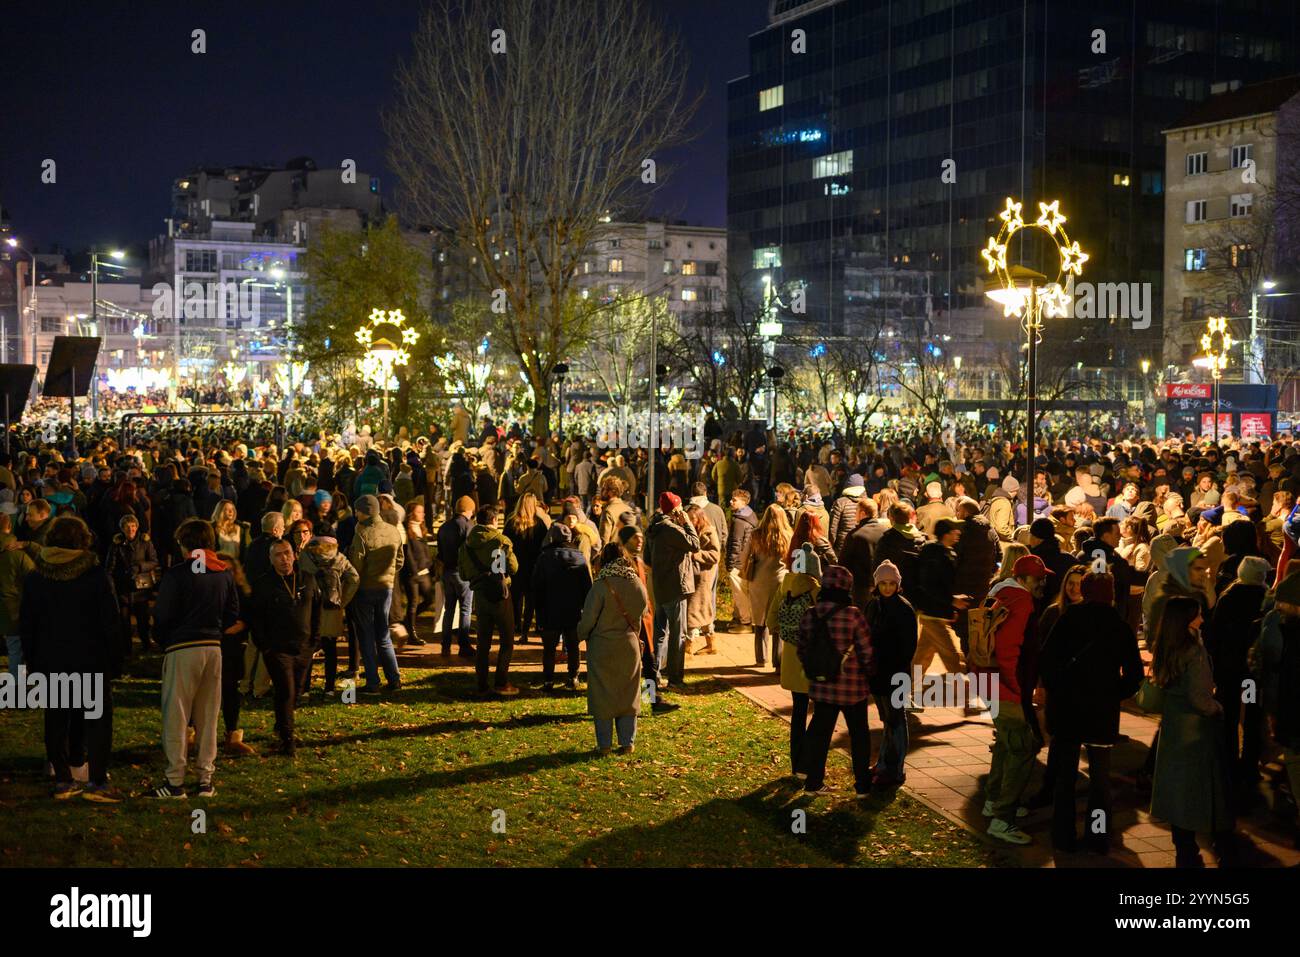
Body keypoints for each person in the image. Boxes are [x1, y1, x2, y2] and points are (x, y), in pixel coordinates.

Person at [1038, 571, 1143, 853]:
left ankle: (1063, 836)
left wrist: (1058, 690)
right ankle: (1097, 838)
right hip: (1100, 712)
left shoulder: (1068, 619)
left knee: (1065, 778)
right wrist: (1113, 693)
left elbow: (1047, 661)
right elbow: (1134, 675)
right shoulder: (1119, 627)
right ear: (1110, 594)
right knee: (1099, 781)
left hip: (1067, 711)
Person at [19, 516, 122, 802]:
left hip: (52, 659)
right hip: (91, 658)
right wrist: (115, 659)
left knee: (56, 719)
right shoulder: (96, 575)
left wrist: (33, 660)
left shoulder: (36, 578)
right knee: (97, 720)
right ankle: (97, 780)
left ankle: (63, 778)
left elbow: (27, 624)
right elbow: (110, 622)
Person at [150, 518, 240, 799]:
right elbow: (232, 613)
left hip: (182, 647)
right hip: (213, 647)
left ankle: (175, 780)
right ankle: (205, 778)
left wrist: (164, 639)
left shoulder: (177, 575)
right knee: (208, 715)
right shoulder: (223, 573)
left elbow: (163, 615)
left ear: (185, 544)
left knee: (177, 715)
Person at [1149, 595, 1236, 867]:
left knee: (1177, 792)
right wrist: (1218, 709)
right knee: (1203, 789)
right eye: (1197, 614)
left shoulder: (1166, 645)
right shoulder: (1194, 650)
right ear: (1186, 619)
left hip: (1174, 725)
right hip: (1195, 730)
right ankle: (1219, 845)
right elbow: (1200, 697)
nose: (1201, 619)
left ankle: (1184, 850)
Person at [982, 553, 1049, 844]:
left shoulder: (997, 594)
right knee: (1024, 747)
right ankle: (1002, 818)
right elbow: (1010, 650)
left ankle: (994, 799)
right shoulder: (1021, 602)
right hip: (1005, 686)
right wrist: (1013, 687)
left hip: (988, 681)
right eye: (1038, 579)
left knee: (1008, 744)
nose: (1042, 584)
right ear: (1022, 579)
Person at [794, 564, 874, 795]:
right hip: (853, 689)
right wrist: (868, 674)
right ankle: (862, 786)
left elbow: (802, 650)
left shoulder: (811, 613)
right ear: (847, 587)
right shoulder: (853, 615)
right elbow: (866, 652)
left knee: (820, 736)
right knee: (859, 736)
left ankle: (813, 783)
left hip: (822, 687)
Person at [579, 528, 650, 755]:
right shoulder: (637, 583)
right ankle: (627, 742)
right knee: (629, 695)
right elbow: (642, 613)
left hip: (602, 647)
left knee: (602, 695)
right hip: (629, 646)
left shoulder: (601, 585)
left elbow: (588, 619)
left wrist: (581, 635)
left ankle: (604, 745)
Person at [249, 539, 322, 757]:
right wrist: (265, 646)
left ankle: (282, 723)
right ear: (271, 559)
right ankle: (287, 739)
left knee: (296, 691)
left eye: (287, 553)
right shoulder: (264, 584)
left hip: (303, 647)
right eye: (279, 555)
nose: (284, 559)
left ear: (294, 555)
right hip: (277, 649)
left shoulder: (307, 579)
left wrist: (314, 641)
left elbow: (317, 609)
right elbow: (256, 618)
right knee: (286, 690)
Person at [768, 543, 822, 775]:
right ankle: (810, 762)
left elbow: (771, 621)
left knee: (798, 714)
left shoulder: (785, 586)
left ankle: (796, 764)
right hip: (813, 662)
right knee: (820, 715)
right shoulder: (815, 591)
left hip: (791, 660)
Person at [864, 560, 918, 787]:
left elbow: (908, 646)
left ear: (898, 584)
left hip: (894, 673)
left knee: (896, 720)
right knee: (887, 720)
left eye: (891, 583)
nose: (887, 587)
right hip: (877, 673)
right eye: (883, 583)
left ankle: (895, 768)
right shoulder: (873, 606)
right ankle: (884, 763)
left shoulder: (904, 608)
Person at [347, 494, 405, 695]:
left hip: (365, 589)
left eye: (358, 510)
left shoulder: (361, 533)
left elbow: (356, 566)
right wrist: (388, 576)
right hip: (386, 588)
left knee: (366, 636)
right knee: (383, 635)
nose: (355, 514)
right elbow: (399, 560)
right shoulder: (393, 531)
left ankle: (372, 682)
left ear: (365, 511)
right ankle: (394, 679)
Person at [459, 504, 520, 697]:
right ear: (494, 520)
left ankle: (482, 683)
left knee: (483, 642)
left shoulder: (466, 545)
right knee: (507, 640)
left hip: (480, 595)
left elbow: (463, 573)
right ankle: (501, 681)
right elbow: (512, 568)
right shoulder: (500, 542)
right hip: (500, 596)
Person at [644, 491, 700, 691]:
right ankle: (675, 678)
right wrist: (686, 522)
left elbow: (647, 559)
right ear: (675, 508)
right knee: (678, 634)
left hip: (660, 586)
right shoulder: (671, 529)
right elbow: (695, 544)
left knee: (660, 632)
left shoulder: (653, 527)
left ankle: (654, 674)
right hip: (676, 586)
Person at [532, 523, 592, 691]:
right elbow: (587, 585)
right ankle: (573, 677)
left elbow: (537, 585)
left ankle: (548, 680)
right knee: (573, 645)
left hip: (550, 609)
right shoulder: (579, 557)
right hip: (572, 609)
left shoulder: (545, 557)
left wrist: (538, 609)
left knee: (549, 648)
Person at [300, 535, 361, 698]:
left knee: (309, 648)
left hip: (311, 609)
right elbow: (354, 578)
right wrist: (343, 601)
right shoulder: (340, 559)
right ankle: (329, 688)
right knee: (331, 650)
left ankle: (304, 688)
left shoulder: (305, 557)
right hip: (332, 609)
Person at [739, 503, 790, 668]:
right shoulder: (789, 535)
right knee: (779, 620)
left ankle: (761, 658)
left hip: (759, 582)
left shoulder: (756, 535)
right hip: (780, 582)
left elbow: (744, 557)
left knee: (760, 621)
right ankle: (779, 660)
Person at [105, 513, 159, 656]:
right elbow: (109, 568)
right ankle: (126, 648)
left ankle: (146, 644)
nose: (131, 529)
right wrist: (113, 586)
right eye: (128, 526)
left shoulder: (145, 542)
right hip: (123, 589)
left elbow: (154, 561)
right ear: (122, 528)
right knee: (124, 621)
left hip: (141, 588)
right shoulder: (116, 545)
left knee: (143, 619)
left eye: (133, 526)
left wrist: (140, 567)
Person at [505, 491, 550, 644]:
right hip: (533, 567)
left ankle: (516, 626)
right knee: (531, 601)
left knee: (516, 599)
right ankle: (525, 631)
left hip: (516, 566)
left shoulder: (511, 523)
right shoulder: (539, 524)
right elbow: (545, 546)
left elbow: (504, 545)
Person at [436, 495, 476, 658]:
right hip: (462, 573)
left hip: (447, 572)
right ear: (469, 509)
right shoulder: (468, 526)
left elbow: (439, 552)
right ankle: (464, 644)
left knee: (449, 610)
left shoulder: (444, 526)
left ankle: (445, 644)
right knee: (465, 610)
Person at [685, 502, 721, 655]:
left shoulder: (709, 532)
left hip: (704, 577)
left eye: (693, 518)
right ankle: (711, 643)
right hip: (694, 576)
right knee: (704, 610)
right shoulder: (691, 531)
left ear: (699, 518)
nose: (691, 521)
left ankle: (687, 648)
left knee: (693, 611)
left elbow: (715, 555)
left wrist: (696, 555)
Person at [401, 500, 435, 646]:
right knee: (413, 602)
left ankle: (407, 621)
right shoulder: (405, 530)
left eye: (423, 512)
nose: (423, 514)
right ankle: (412, 633)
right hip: (412, 573)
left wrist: (429, 566)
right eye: (419, 511)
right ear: (411, 513)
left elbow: (424, 551)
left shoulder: (422, 528)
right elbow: (407, 553)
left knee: (429, 599)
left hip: (424, 571)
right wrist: (414, 571)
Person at [725, 488, 758, 631]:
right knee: (744, 592)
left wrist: (732, 565)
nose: (731, 502)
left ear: (743, 502)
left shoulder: (739, 520)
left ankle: (745, 622)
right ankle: (741, 618)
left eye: (734, 500)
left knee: (740, 593)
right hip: (747, 561)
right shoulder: (751, 515)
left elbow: (736, 544)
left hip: (739, 563)